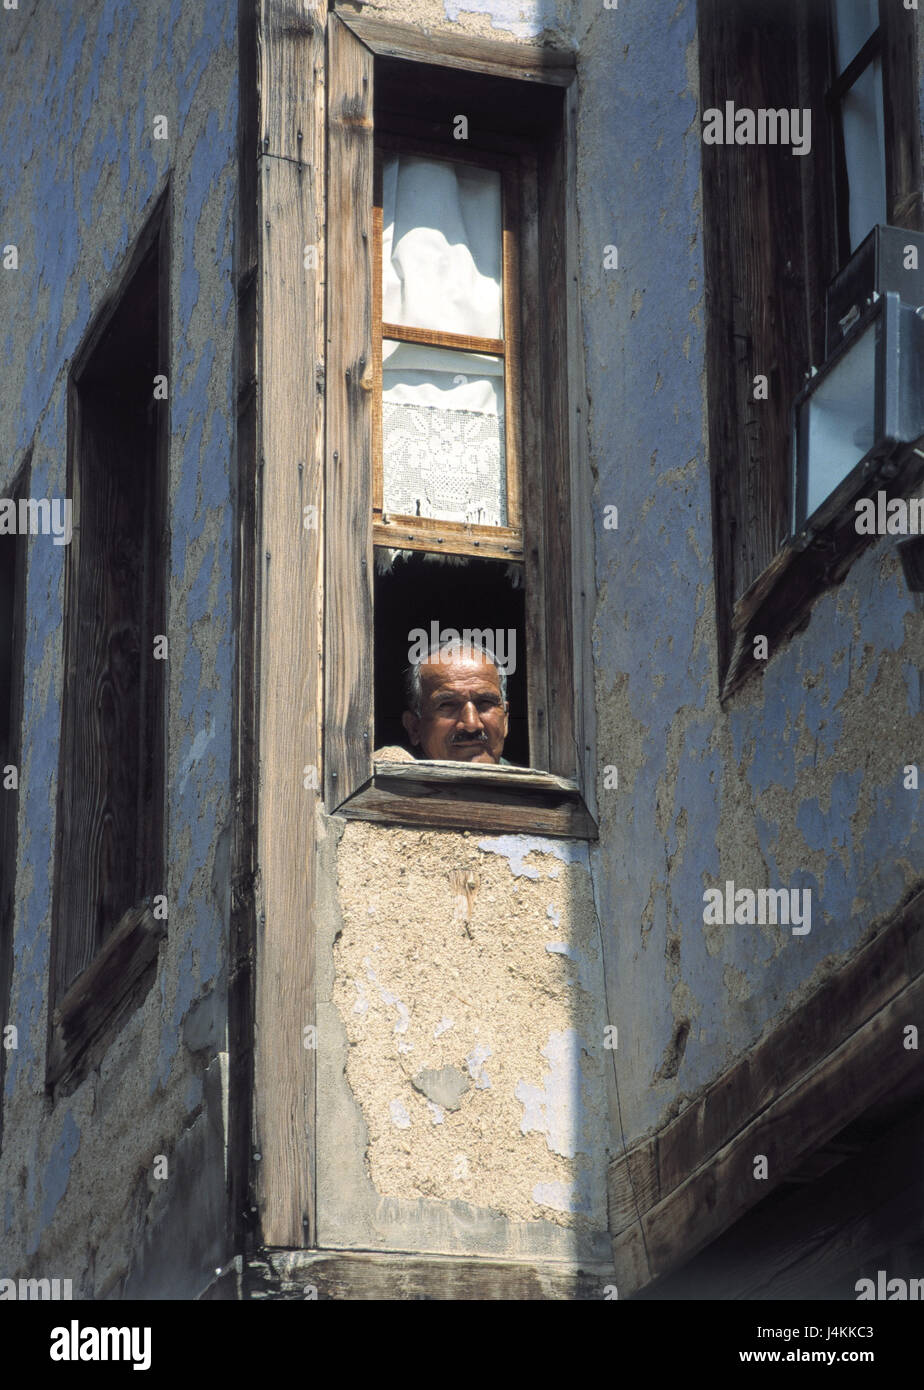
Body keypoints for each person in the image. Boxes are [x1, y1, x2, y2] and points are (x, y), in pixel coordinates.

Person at [373, 639, 511, 765]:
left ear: (505, 721)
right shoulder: (390, 782)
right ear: (414, 727)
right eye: (448, 705)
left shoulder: (530, 790)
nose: (472, 725)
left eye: (485, 703)